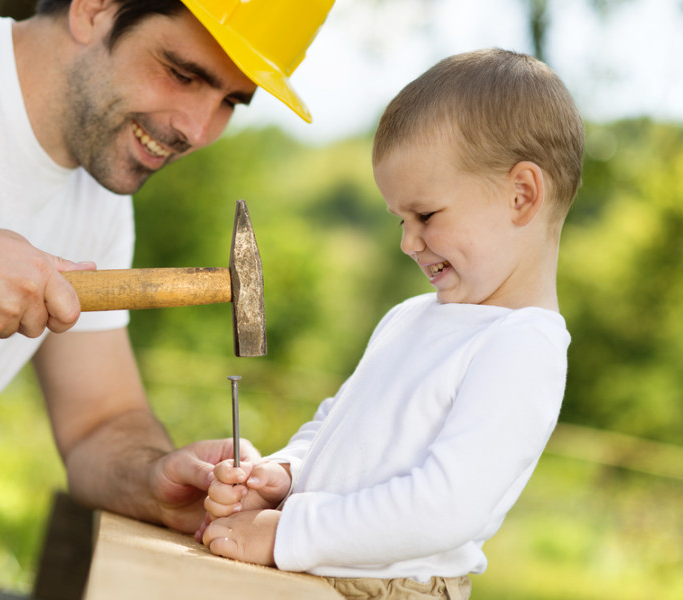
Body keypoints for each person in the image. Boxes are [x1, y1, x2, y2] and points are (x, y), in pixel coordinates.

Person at [0, 0, 332, 597]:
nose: (198, 130)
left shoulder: (99, 208)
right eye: (183, 73)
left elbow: (98, 422)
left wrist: (156, 479)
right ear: (94, 8)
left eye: (231, 101)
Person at [199, 48, 585, 600]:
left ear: (521, 195)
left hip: (394, 588)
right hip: (323, 564)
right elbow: (338, 426)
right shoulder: (411, 317)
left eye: (425, 215)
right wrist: (286, 475)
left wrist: (289, 532)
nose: (408, 242)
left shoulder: (522, 346)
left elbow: (444, 506)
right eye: (399, 220)